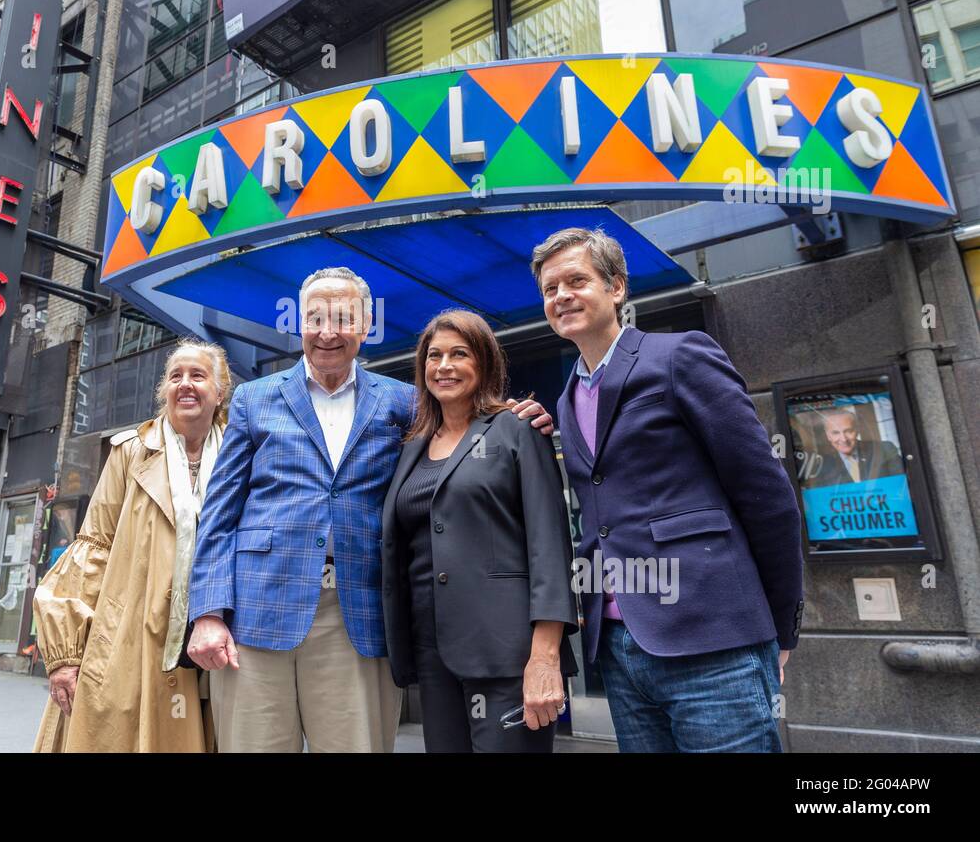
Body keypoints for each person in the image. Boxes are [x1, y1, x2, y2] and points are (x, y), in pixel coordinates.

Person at [187, 267, 553, 753]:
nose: (328, 331)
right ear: (300, 324)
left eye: (343, 318)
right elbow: (219, 511)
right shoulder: (255, 399)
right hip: (257, 612)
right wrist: (209, 612)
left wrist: (515, 414)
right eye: (316, 317)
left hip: (357, 612)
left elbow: (461, 431)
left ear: (365, 326)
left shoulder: (404, 402)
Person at [534, 227, 804, 753]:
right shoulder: (566, 400)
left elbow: (767, 497)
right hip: (618, 646)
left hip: (713, 638)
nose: (561, 296)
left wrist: (780, 625)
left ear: (616, 288)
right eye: (550, 289)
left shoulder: (681, 356)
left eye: (576, 280)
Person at [381, 309, 578, 752]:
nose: (444, 365)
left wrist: (544, 658)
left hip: (508, 655)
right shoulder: (411, 446)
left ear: (484, 362)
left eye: (459, 354)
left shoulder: (516, 428)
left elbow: (549, 547)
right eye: (434, 356)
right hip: (434, 655)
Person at [33, 339, 230, 752]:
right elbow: (94, 544)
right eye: (176, 376)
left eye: (198, 375)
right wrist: (66, 653)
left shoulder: (238, 453)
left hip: (210, 641)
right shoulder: (131, 452)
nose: (186, 385)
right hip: (125, 639)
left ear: (220, 390)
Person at [812, 408, 904, 487]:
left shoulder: (885, 449)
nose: (844, 439)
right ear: (828, 436)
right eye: (835, 433)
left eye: (848, 431)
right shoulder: (821, 466)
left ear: (857, 430)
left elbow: (903, 485)